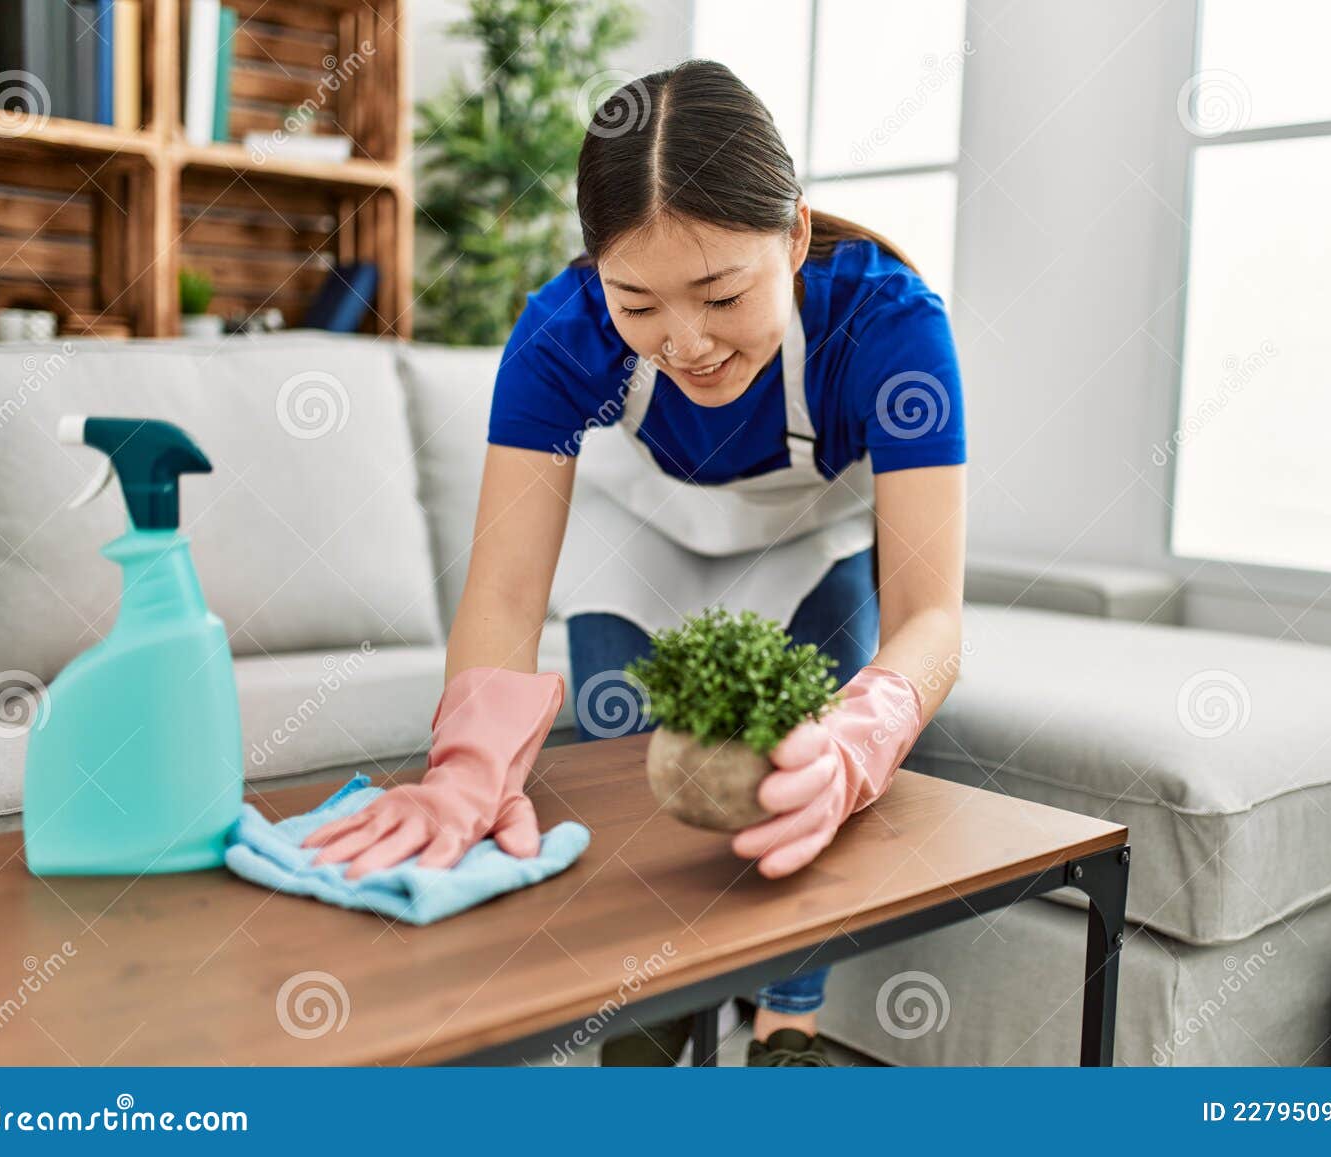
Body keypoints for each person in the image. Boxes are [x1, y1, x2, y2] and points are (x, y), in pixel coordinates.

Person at [301, 59, 966, 1067]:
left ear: (791, 238)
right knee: (630, 766)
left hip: (805, 537)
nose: (685, 342)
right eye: (638, 302)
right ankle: (643, 1019)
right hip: (640, 536)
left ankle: (786, 1027)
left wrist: (861, 741)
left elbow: (931, 616)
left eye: (719, 292)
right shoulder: (559, 337)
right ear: (596, 276)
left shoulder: (889, 323)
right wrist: (465, 770)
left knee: (803, 759)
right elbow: (506, 589)